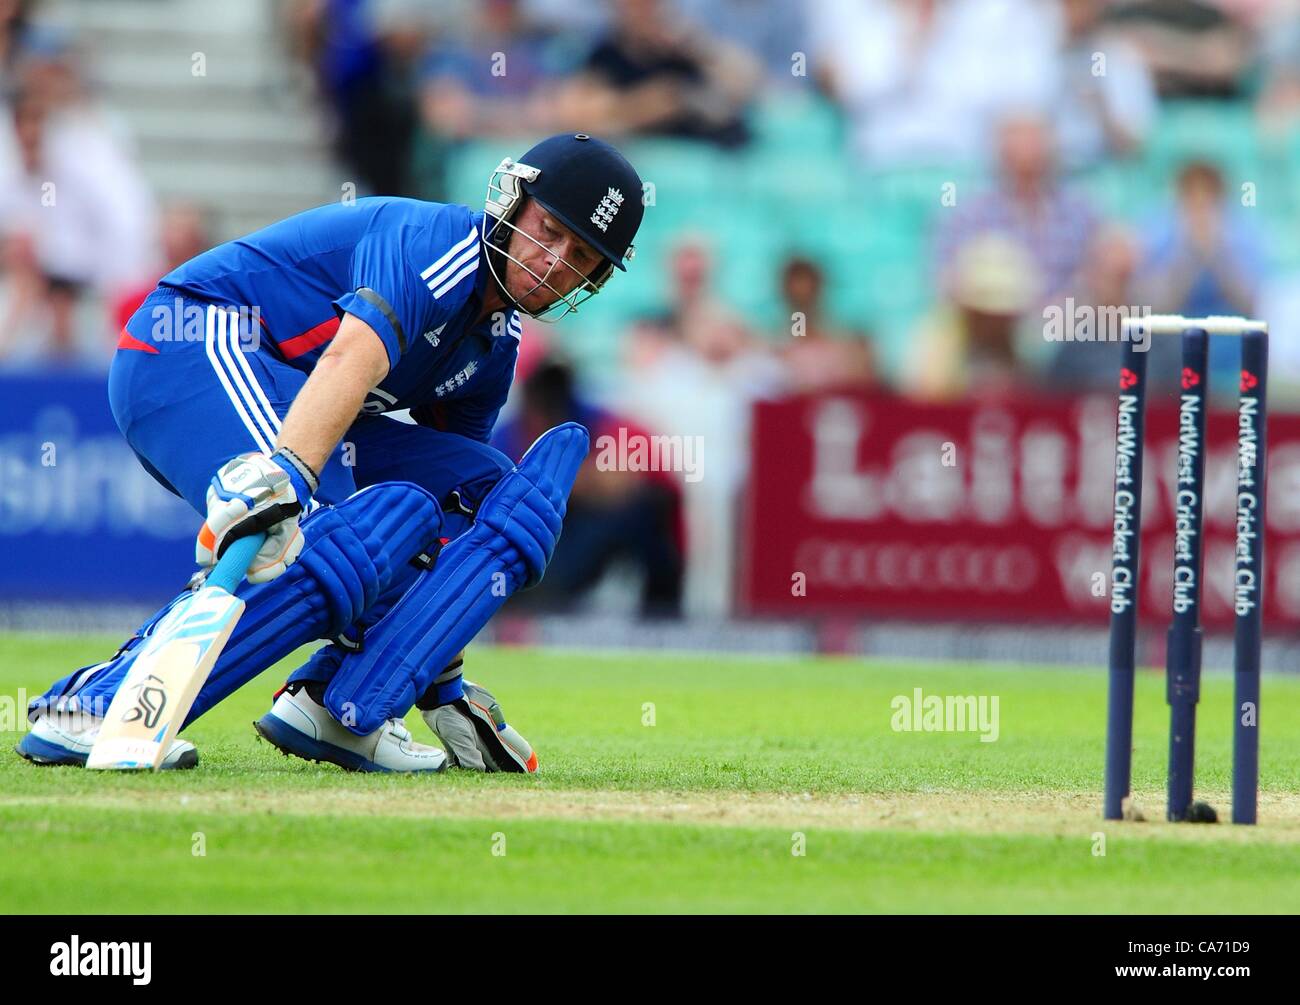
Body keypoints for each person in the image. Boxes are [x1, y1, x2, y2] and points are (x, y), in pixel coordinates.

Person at [18, 133, 645, 775]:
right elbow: (349, 358)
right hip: (190, 346)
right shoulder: (435, 248)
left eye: (581, 255)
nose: (554, 261)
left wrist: (436, 675)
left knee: (484, 492)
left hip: (291, 395)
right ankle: (95, 707)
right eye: (549, 230)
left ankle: (340, 703)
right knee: (317, 535)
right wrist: (288, 478)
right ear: (513, 203)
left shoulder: (495, 345)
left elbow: (443, 540)